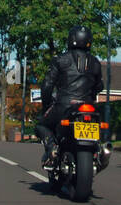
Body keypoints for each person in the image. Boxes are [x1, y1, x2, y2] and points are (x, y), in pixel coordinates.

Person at [36, 25, 104, 166]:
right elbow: (99, 86)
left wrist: (46, 106)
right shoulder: (95, 62)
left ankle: (52, 147)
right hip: (88, 106)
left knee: (41, 125)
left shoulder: (60, 60)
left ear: (71, 39)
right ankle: (98, 151)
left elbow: (47, 85)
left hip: (64, 106)